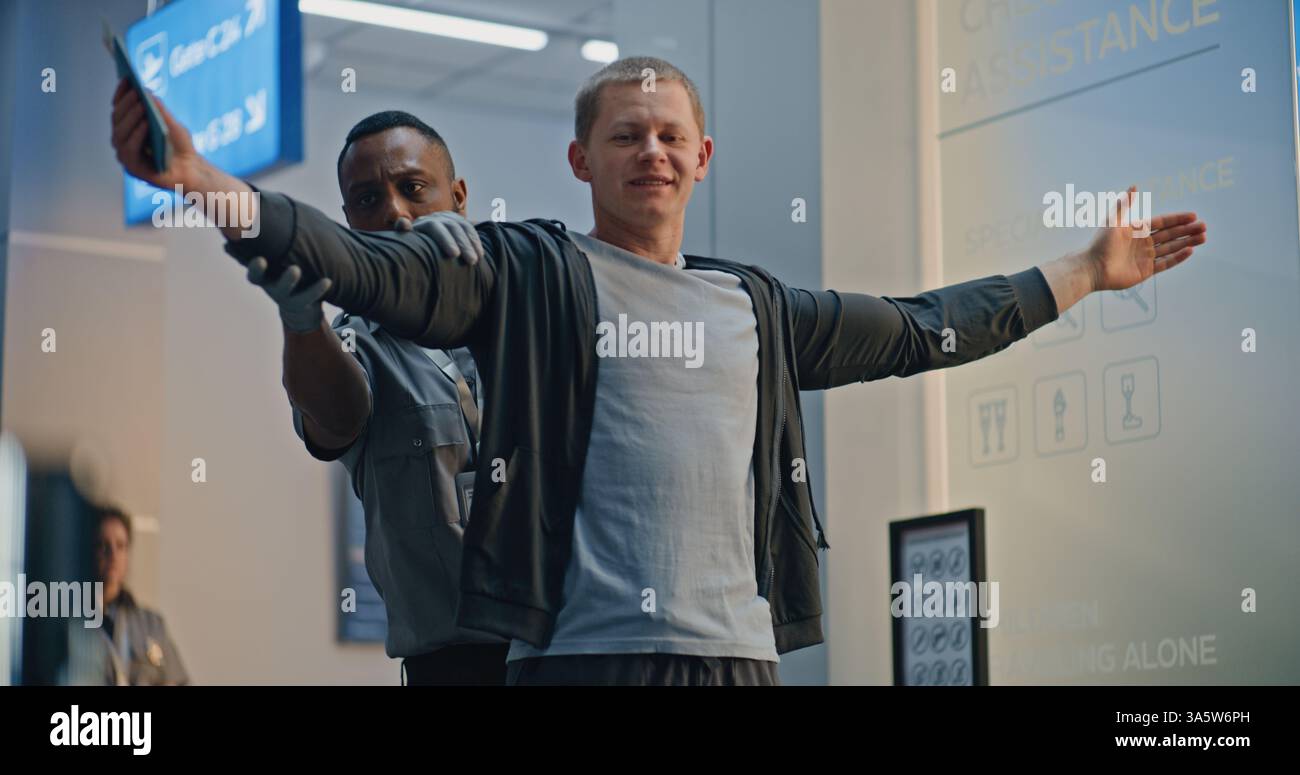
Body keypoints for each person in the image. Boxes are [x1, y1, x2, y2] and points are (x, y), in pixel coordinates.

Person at [108, 56, 1207, 686]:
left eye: (671, 135)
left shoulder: (755, 309)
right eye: (626, 135)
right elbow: (351, 266)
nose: (652, 152)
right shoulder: (520, 279)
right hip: (577, 661)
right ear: (580, 160)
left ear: (702, 158)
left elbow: (923, 328)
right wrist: (199, 176)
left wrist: (1083, 271)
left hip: (735, 661)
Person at [244, 110, 509, 685]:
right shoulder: (352, 343)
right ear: (349, 223)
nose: (395, 213)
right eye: (367, 200)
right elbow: (334, 417)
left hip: (571, 654)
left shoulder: (524, 311)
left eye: (413, 188)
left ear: (459, 198)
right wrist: (302, 319)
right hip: (452, 668)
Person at [90, 505, 189, 686]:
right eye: (104, 545)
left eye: (120, 546)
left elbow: (179, 680)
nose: (113, 555)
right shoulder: (68, 623)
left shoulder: (150, 626)